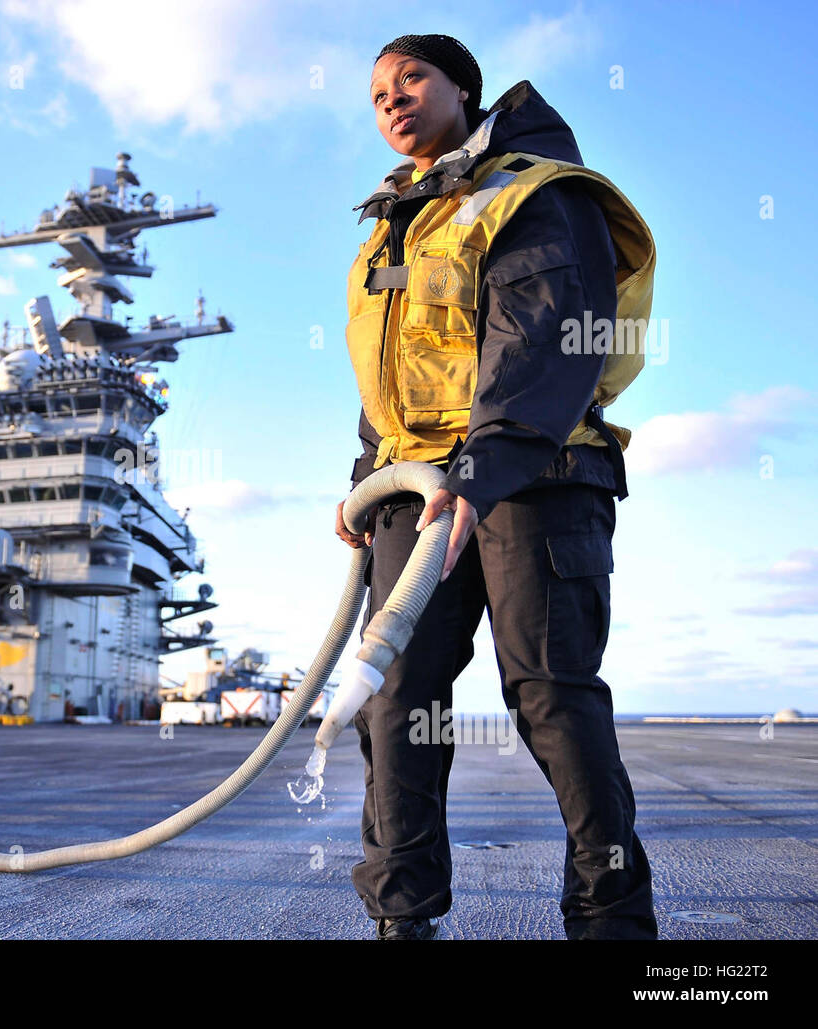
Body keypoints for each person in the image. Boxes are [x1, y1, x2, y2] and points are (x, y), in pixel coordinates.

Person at [334, 34, 658, 940]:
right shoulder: (394, 223)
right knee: (399, 696)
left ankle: (611, 923)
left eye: (412, 80)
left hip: (538, 473)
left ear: (464, 89)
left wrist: (481, 470)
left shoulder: (533, 189)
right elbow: (392, 377)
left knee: (549, 691)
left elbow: (548, 337)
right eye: (375, 94)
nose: (392, 100)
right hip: (414, 490)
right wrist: (366, 479)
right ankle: (405, 916)